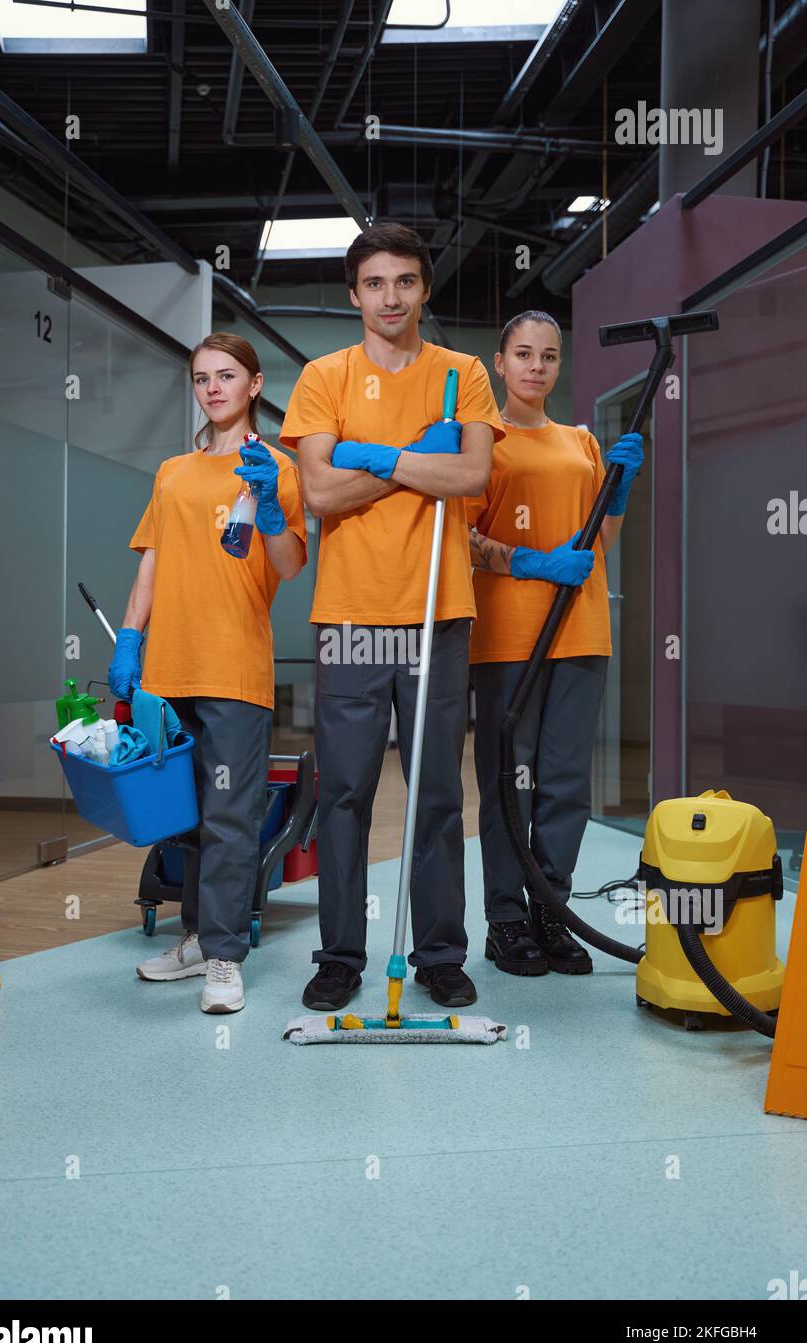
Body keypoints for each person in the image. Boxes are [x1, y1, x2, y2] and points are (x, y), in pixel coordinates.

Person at [279, 221, 504, 1012]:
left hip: (439, 612)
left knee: (438, 788)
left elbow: (473, 471)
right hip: (349, 616)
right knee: (345, 790)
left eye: (404, 281)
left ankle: (440, 953)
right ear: (353, 294)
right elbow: (319, 494)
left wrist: (370, 458)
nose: (390, 297)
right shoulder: (324, 377)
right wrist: (411, 458)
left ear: (425, 289)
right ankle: (340, 953)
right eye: (374, 283)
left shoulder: (464, 373)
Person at [109, 333, 307, 1013]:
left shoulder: (276, 466)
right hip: (168, 669)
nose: (213, 388)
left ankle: (225, 957)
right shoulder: (172, 472)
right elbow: (153, 561)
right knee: (183, 819)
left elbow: (286, 566)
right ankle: (194, 939)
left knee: (229, 817)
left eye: (227, 376)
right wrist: (130, 638)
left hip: (233, 668)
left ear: (254, 385)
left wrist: (273, 507)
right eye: (201, 378)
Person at [467, 310, 643, 977]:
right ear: (500, 362)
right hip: (510, 637)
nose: (537, 366)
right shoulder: (484, 442)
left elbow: (604, 541)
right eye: (523, 354)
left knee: (565, 784)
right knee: (510, 782)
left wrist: (619, 491)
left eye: (548, 355)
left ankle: (552, 911)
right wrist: (530, 562)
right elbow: (463, 541)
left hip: (581, 629)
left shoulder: (580, 442)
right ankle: (505, 920)